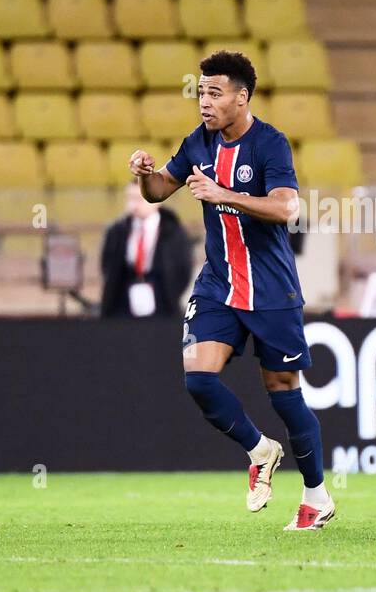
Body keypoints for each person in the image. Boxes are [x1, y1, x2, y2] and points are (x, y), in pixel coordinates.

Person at [127, 50, 335, 531]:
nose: (204, 102)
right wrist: (143, 173)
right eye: (201, 92)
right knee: (198, 377)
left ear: (242, 98)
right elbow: (160, 191)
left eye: (215, 93)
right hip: (219, 283)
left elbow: (287, 209)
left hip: (271, 288)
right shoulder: (198, 143)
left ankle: (316, 496)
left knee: (284, 391)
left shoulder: (270, 144)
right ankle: (260, 450)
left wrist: (226, 196)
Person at [99, 183, 193, 318]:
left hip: (162, 304)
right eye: (130, 198)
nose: (134, 205)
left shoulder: (173, 232)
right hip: (124, 305)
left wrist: (170, 293)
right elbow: (108, 265)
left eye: (139, 199)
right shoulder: (117, 231)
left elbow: (183, 268)